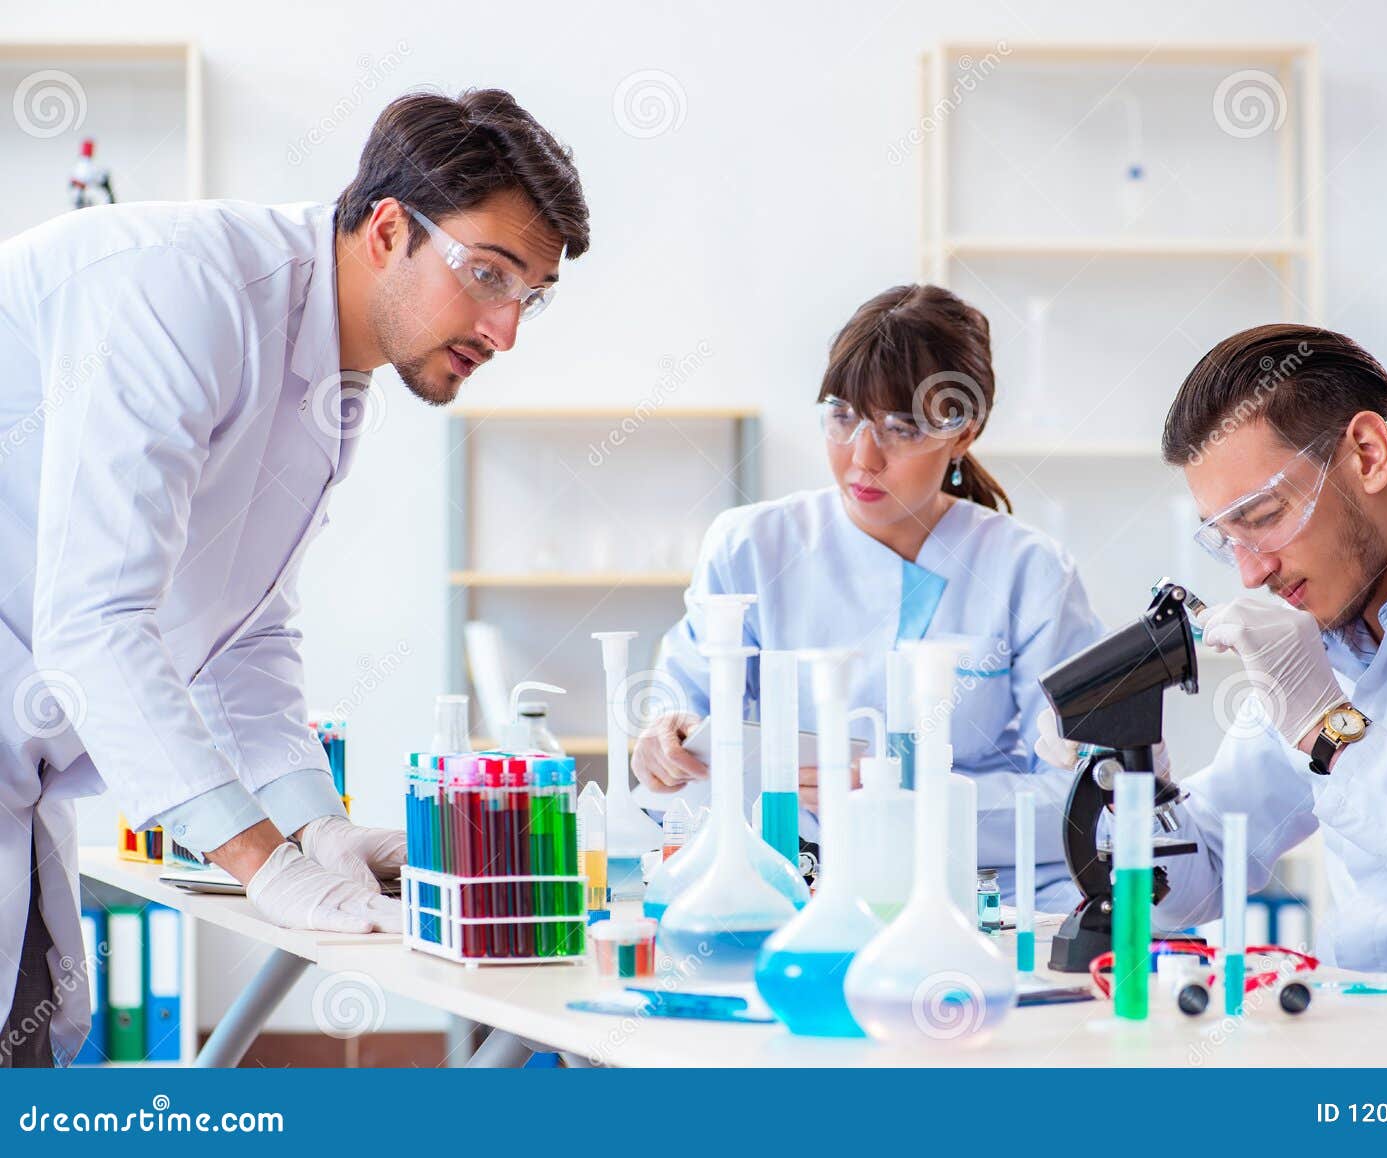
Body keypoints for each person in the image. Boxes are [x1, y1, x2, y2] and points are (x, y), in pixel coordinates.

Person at [0, 89, 590, 1066]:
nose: (506, 330)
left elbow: (244, 635)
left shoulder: (330, 376)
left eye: (530, 295)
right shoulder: (186, 293)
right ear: (389, 229)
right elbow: (95, 622)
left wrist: (316, 827)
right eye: (487, 275)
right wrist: (258, 861)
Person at [1041, 323, 1387, 1004]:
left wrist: (1331, 731)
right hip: (1357, 1037)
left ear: (1367, 454)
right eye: (1227, 540)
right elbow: (1203, 874)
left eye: (1265, 516)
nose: (1250, 574)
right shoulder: (1327, 634)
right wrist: (1132, 779)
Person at [632, 284, 1104, 905]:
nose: (863, 458)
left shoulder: (1030, 570)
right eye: (843, 417)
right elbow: (681, 715)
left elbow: (1085, 797)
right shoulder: (752, 545)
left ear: (964, 433)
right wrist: (658, 746)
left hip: (982, 891)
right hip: (789, 886)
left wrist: (910, 799)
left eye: (901, 429)